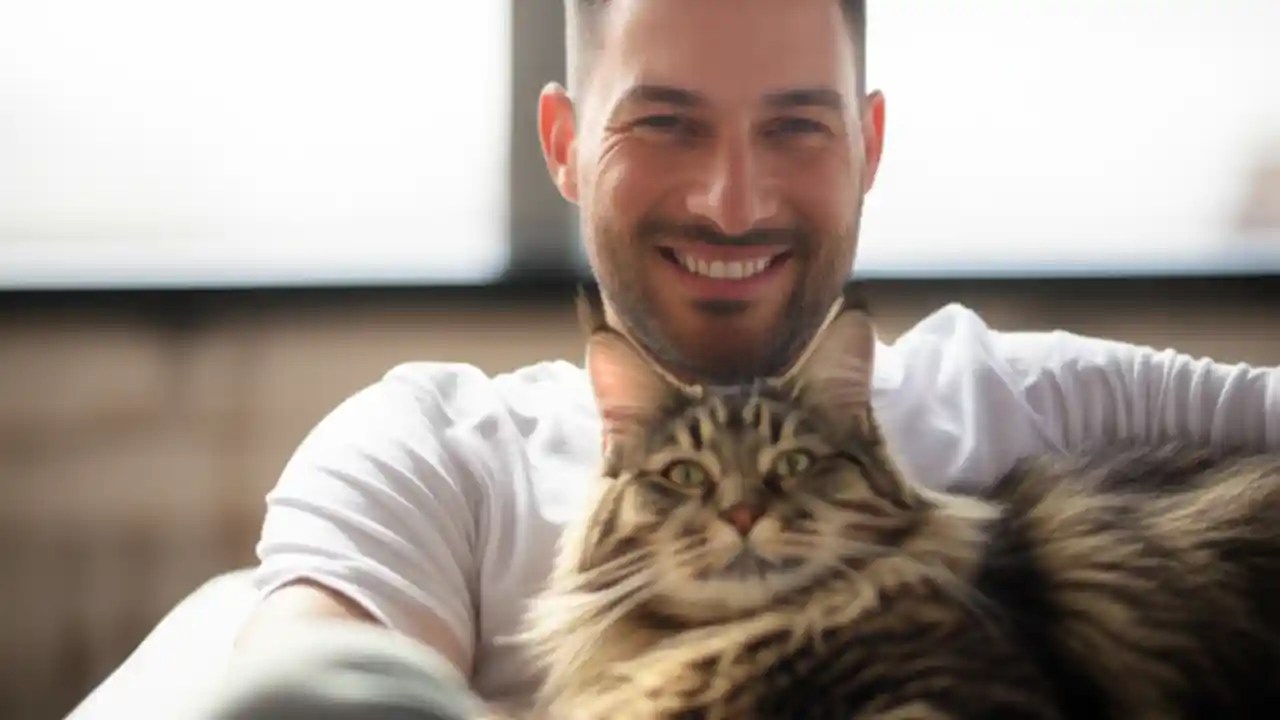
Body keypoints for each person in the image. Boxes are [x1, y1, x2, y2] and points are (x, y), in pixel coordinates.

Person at [214, 0, 1280, 717]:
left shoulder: (1032, 397)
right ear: (563, 144)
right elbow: (293, 694)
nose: (731, 202)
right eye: (666, 124)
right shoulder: (429, 449)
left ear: (867, 146)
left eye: (795, 129)